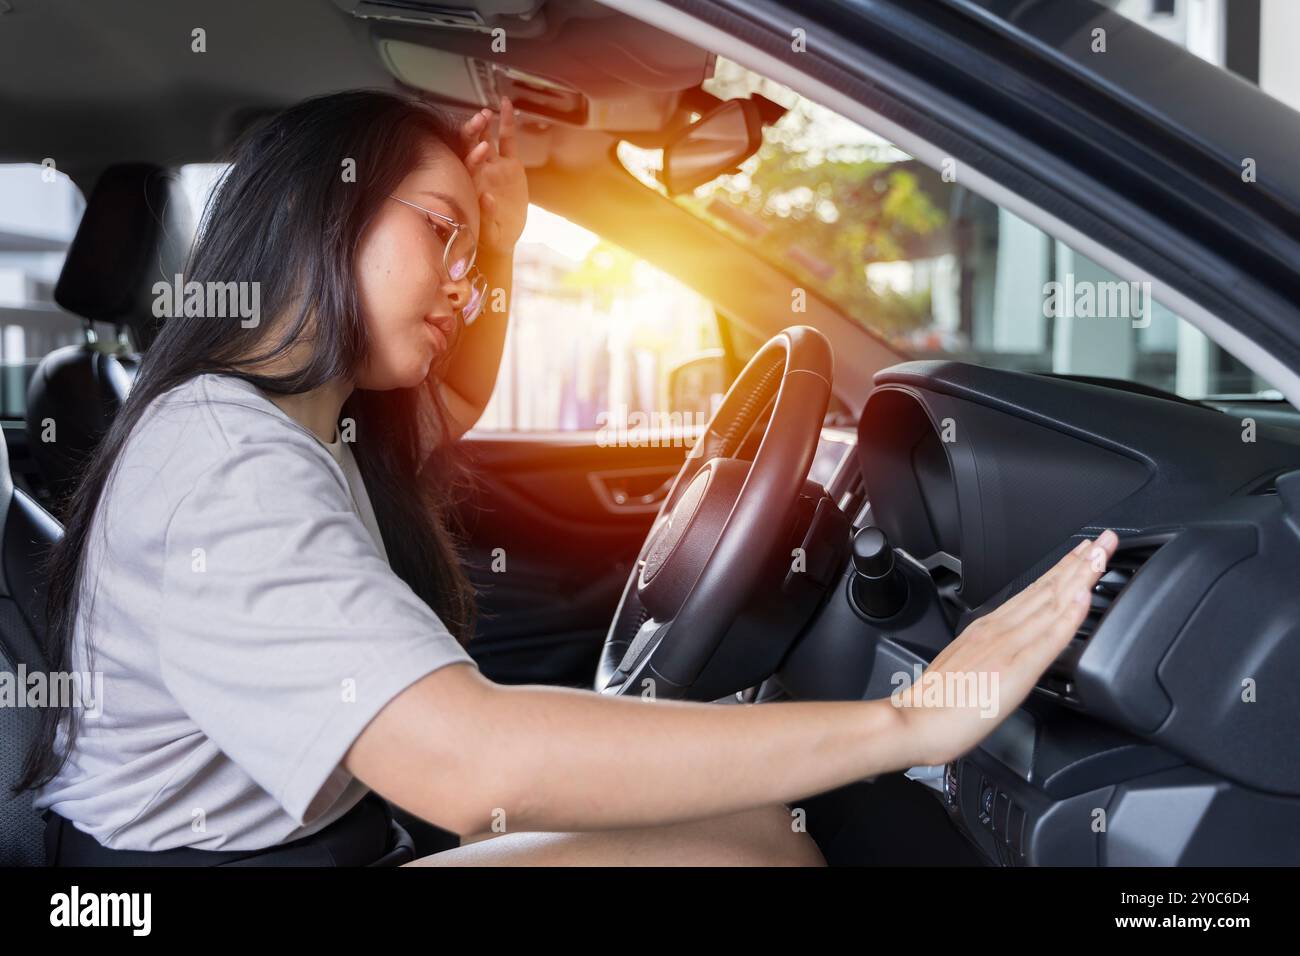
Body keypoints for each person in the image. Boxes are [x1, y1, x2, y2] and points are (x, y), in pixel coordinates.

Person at [22, 88, 1118, 866]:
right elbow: (467, 763)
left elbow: (450, 402)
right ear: (323, 212)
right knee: (743, 854)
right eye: (439, 233)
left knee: (751, 832)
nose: (461, 283)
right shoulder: (226, 463)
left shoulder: (303, 423)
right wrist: (910, 721)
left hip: (306, 843)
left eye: (469, 256)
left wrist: (498, 234)